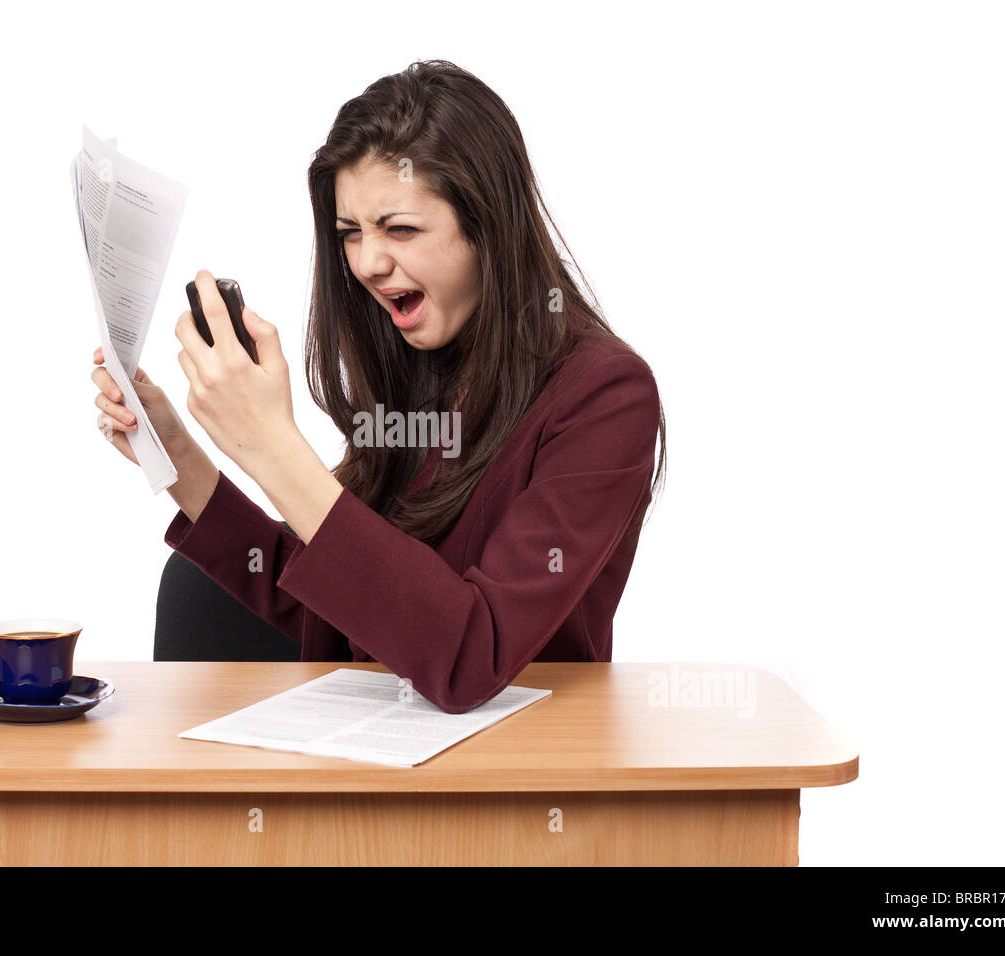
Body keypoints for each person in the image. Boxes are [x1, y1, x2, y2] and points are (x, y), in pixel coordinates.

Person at [90, 59, 667, 714]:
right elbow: (335, 608)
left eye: (400, 229)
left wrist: (273, 449)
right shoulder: (420, 368)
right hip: (375, 764)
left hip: (516, 783)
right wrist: (180, 460)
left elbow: (471, 656)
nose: (368, 262)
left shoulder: (606, 397)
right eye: (349, 234)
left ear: (489, 227)